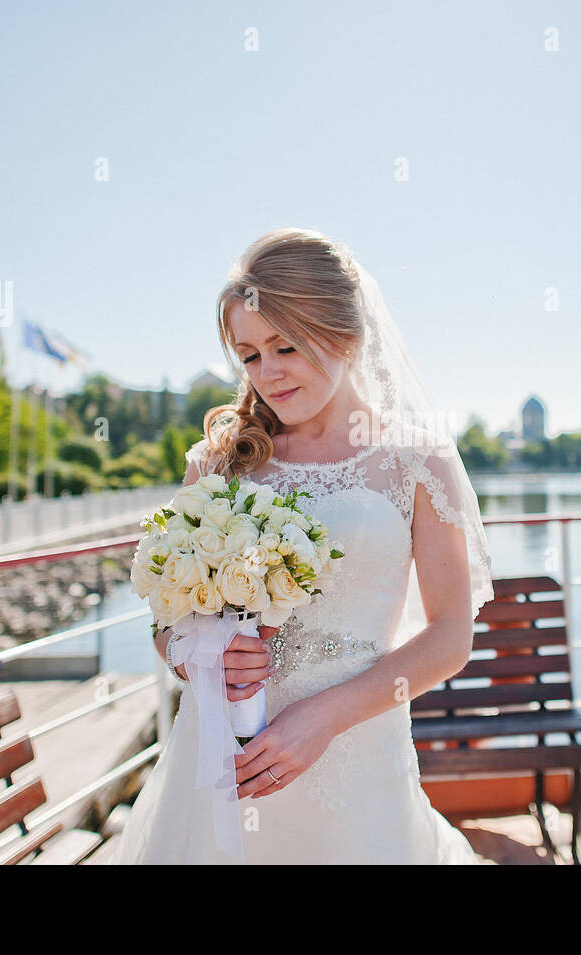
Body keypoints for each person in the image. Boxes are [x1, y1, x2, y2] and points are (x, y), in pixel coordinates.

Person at [110, 228, 495, 864]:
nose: (268, 374)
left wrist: (321, 720)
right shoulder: (217, 464)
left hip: (358, 760)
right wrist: (196, 656)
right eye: (250, 354)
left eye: (285, 345)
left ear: (348, 333)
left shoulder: (417, 460)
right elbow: (165, 626)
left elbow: (451, 637)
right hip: (228, 759)